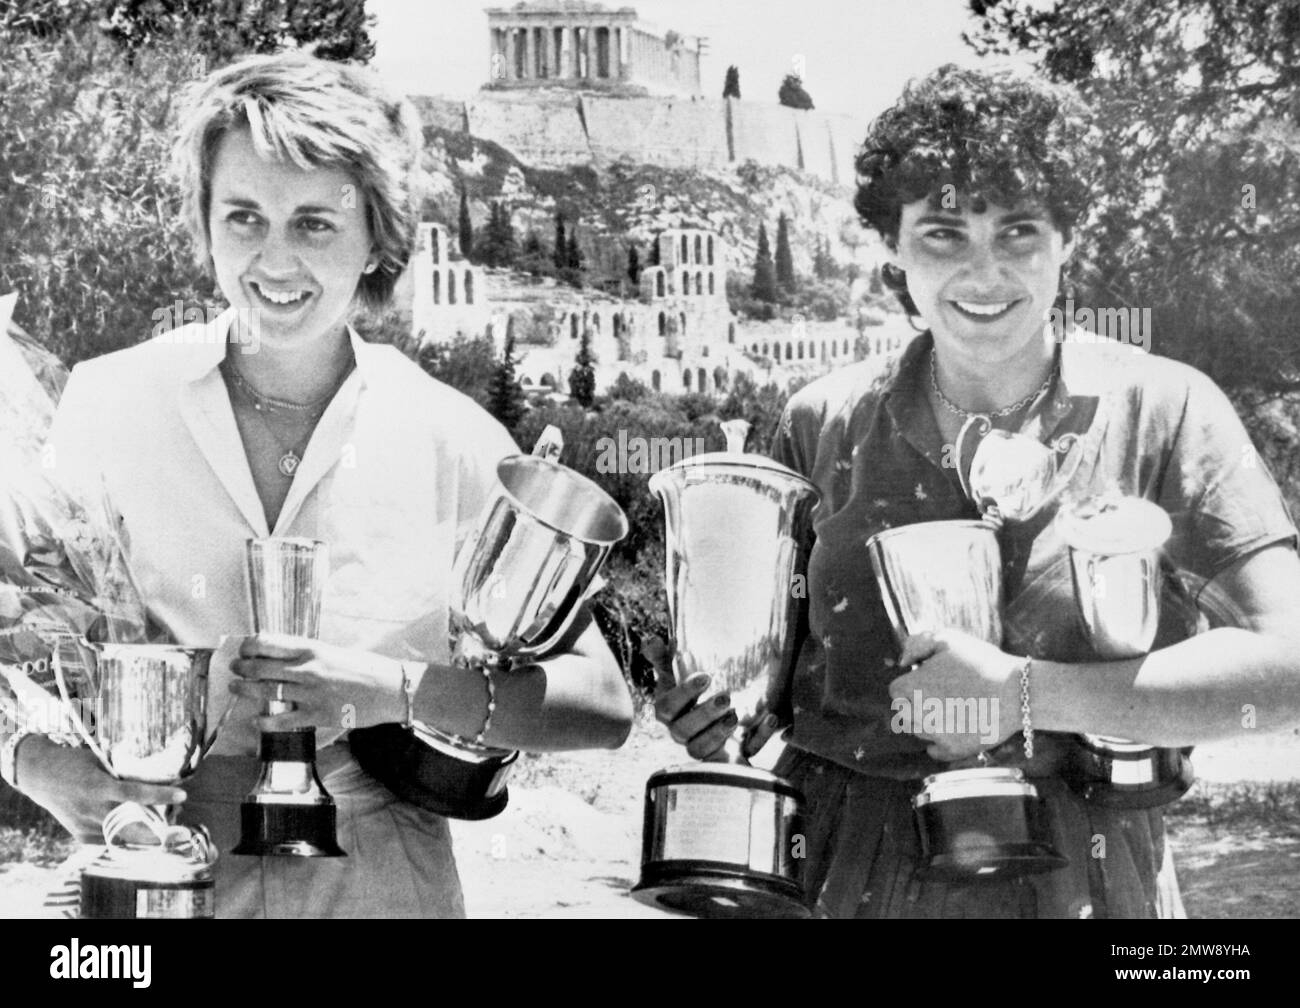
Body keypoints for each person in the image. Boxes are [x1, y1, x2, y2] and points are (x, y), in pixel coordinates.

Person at [654, 64, 1300, 918]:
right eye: (945, 234)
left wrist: (1025, 694)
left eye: (1020, 231)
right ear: (893, 248)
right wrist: (719, 714)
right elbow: (773, 707)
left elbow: (1286, 671)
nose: (985, 273)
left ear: (1070, 240)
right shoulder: (821, 425)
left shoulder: (1163, 409)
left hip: (1088, 884)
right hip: (846, 883)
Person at [7, 52, 632, 919]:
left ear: (376, 232)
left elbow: (601, 702)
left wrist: (392, 689)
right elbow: (17, 650)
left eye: (314, 224)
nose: (274, 261)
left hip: (385, 872)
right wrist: (38, 765)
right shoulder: (109, 401)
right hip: (162, 867)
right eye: (243, 219)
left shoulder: (447, 434)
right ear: (205, 225)